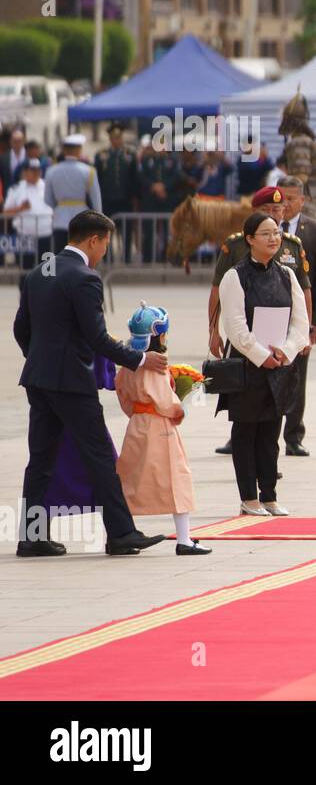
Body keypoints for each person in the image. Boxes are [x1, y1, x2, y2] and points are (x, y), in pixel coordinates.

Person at [13, 209, 169, 557]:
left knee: (40, 459)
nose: (105, 253)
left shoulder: (39, 271)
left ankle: (32, 537)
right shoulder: (85, 277)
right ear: (94, 240)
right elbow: (97, 338)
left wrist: (40, 360)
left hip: (39, 381)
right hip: (70, 383)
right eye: (106, 245)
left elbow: (21, 329)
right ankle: (122, 533)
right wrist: (141, 359)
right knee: (99, 456)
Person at [217, 210, 310, 515]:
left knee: (271, 434)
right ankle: (249, 498)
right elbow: (234, 326)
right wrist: (261, 355)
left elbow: (300, 322)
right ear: (249, 239)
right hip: (247, 366)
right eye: (266, 234)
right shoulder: (235, 276)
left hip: (280, 366)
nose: (274, 238)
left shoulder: (287, 274)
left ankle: (269, 495)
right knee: (246, 433)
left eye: (276, 233)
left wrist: (286, 351)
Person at [210, 186, 312, 455]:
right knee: (244, 403)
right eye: (267, 211)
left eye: (278, 210)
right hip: (246, 341)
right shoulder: (235, 245)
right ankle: (241, 447)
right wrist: (213, 331)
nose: (275, 215)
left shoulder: (291, 245)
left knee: (278, 405)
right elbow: (217, 288)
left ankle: (283, 447)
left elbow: (305, 290)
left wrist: (305, 334)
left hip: (280, 344)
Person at [114, 304, 212, 555]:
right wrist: (181, 409)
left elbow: (123, 396)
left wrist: (137, 414)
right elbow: (167, 402)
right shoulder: (155, 366)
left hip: (136, 424)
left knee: (130, 481)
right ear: (159, 336)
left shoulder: (127, 365)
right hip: (160, 427)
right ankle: (184, 539)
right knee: (177, 480)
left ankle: (120, 533)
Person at [279, 177, 316, 457]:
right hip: (266, 315)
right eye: (281, 198)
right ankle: (242, 431)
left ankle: (293, 435)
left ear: (303, 200)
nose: (286, 204)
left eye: (291, 198)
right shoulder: (263, 228)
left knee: (296, 377)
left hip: (301, 317)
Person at [43, 134, 102, 252]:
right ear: (79, 150)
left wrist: (59, 207)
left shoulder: (51, 171)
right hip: (82, 221)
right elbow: (96, 200)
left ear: (64, 150)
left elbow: (47, 200)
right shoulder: (89, 171)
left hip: (59, 221)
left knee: (60, 259)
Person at [279, 89, 316, 220]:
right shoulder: (304, 140)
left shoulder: (298, 142)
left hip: (308, 204)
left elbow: (299, 180)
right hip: (313, 198)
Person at [135, 134, 181, 262]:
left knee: (168, 232)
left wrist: (164, 187)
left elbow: (176, 177)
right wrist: (154, 186)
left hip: (167, 200)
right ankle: (148, 258)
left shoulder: (173, 161)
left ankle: (166, 257)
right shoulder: (147, 160)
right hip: (150, 201)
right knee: (149, 231)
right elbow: (141, 177)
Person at [3, 158, 53, 269]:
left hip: (46, 235)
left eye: (38, 170)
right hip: (25, 237)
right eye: (33, 170)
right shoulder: (16, 189)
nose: (36, 173)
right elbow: (6, 212)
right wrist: (20, 208)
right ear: (25, 172)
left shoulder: (47, 186)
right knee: (25, 269)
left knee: (47, 271)